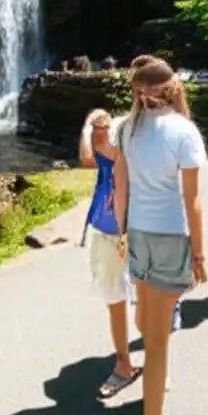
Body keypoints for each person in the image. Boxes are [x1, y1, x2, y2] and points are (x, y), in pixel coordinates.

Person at [113, 58, 208, 415]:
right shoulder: (184, 132)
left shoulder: (126, 129)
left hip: (138, 233)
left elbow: (121, 186)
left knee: (149, 324)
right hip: (171, 236)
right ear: (172, 89)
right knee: (157, 343)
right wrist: (199, 255)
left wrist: (121, 231)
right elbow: (192, 201)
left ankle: (156, 370)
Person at [78, 108, 141, 398]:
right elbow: (86, 158)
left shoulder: (128, 141)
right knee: (114, 295)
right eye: (96, 131)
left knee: (148, 296)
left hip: (136, 227)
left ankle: (149, 361)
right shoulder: (110, 141)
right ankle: (124, 363)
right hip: (108, 229)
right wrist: (88, 123)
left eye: (101, 131)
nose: (98, 135)